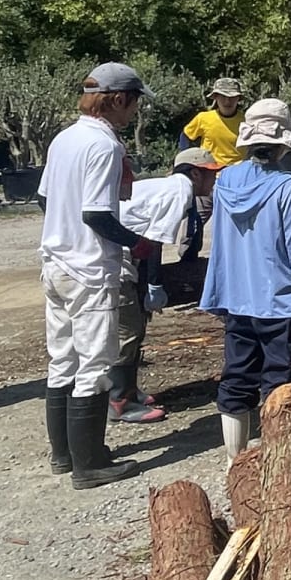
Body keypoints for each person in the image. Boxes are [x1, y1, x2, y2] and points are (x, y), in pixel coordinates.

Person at [37, 63, 157, 489]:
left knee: (62, 360)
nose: (135, 110)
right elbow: (97, 214)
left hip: (56, 262)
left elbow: (43, 198)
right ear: (119, 99)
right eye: (135, 101)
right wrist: (136, 243)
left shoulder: (63, 139)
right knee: (94, 363)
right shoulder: (105, 148)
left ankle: (64, 454)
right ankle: (89, 464)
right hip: (89, 268)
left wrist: (62, 232)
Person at [200, 99, 291, 461]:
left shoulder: (225, 182)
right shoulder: (287, 188)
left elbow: (222, 241)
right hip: (280, 301)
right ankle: (279, 459)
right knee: (279, 379)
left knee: (236, 376)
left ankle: (233, 461)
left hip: (237, 297)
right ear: (285, 143)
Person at [110, 147, 225, 423]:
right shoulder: (180, 191)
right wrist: (154, 284)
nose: (214, 180)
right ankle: (118, 402)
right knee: (128, 330)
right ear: (196, 173)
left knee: (136, 328)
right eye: (211, 174)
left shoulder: (176, 189)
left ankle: (128, 390)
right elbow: (153, 242)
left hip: (127, 252)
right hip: (116, 257)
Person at [177, 78, 246, 261]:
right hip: (207, 177)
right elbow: (186, 135)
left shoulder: (246, 121)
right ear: (215, 97)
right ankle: (187, 261)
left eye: (232, 97)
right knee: (195, 221)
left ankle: (233, 261)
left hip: (237, 181)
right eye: (222, 96)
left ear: (239, 98)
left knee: (235, 225)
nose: (227, 101)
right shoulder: (204, 118)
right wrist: (187, 160)